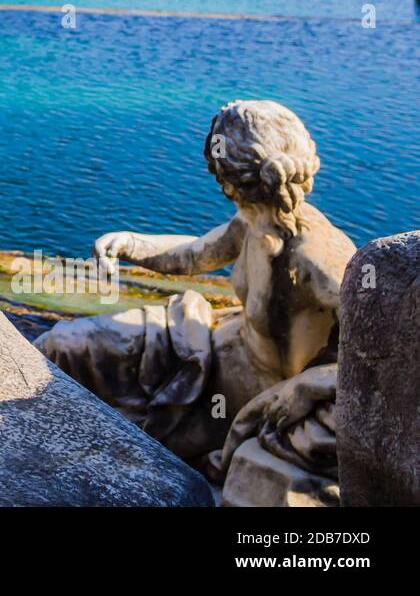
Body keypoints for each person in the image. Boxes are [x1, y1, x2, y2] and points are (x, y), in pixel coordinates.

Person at [36, 100, 354, 469]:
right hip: (208, 345)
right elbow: (194, 254)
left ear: (227, 178)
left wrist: (312, 383)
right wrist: (130, 244)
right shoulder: (253, 222)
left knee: (133, 444)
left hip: (242, 399)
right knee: (66, 345)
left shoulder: (317, 257)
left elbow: (392, 350)